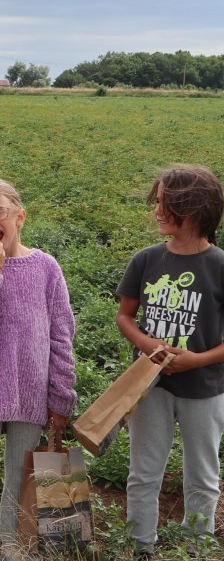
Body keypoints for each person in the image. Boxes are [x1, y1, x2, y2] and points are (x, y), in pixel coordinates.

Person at [0, 176, 76, 560]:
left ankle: (19, 550)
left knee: (26, 476)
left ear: (20, 217)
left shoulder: (46, 268)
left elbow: (61, 335)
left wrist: (61, 395)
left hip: (31, 392)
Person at [115, 165, 224, 556]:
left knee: (203, 476)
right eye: (157, 201)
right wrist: (148, 346)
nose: (157, 210)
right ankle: (140, 545)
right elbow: (125, 316)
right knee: (143, 474)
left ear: (192, 208)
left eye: (166, 203)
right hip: (149, 386)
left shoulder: (219, 265)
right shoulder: (146, 260)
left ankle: (195, 548)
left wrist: (196, 360)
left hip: (205, 388)